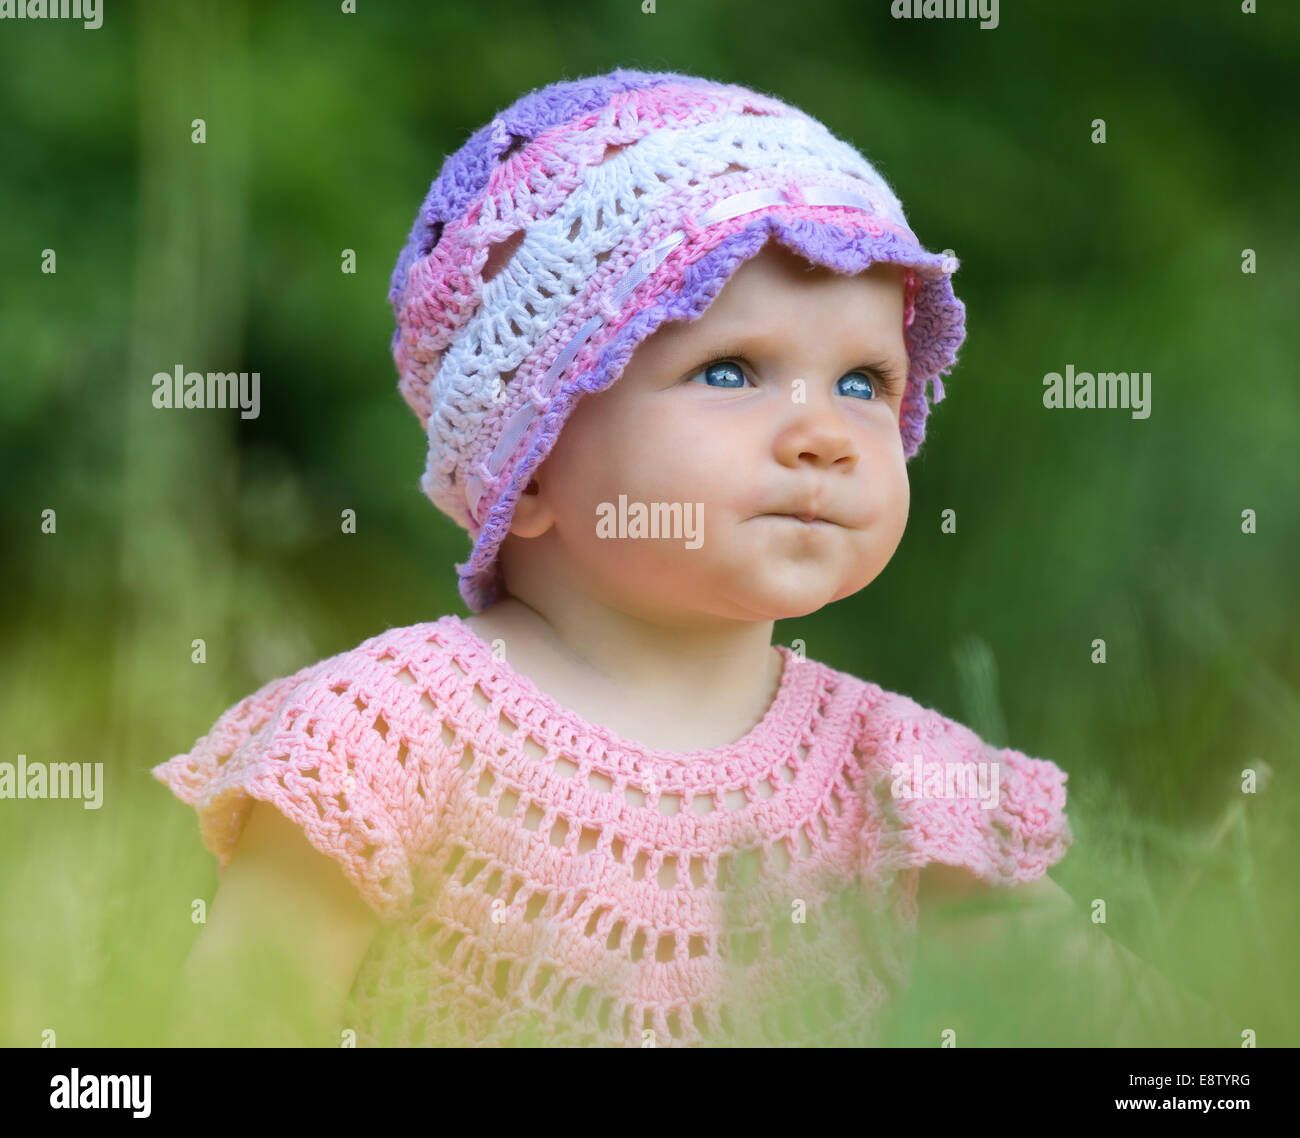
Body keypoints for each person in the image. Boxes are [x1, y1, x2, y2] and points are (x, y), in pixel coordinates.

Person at [153, 67, 1088, 1048]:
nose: (825, 432)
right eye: (728, 370)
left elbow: (1124, 1018)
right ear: (533, 466)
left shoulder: (895, 774)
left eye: (862, 381)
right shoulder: (391, 731)